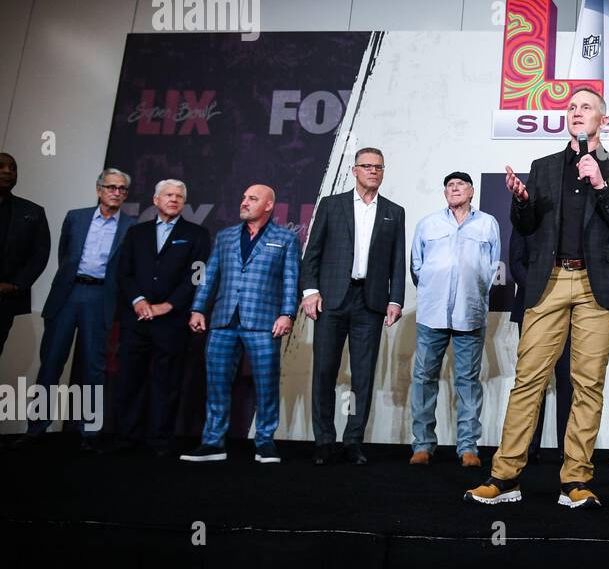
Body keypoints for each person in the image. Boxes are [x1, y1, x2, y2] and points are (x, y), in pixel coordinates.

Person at [465, 87, 609, 509]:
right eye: (572, 107)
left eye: (586, 108)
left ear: (603, 120)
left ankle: (575, 481)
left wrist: (600, 184)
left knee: (588, 383)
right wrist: (521, 202)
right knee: (528, 379)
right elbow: (527, 227)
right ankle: (505, 476)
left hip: (595, 287)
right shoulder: (543, 167)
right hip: (549, 281)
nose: (577, 113)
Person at [16, 168, 135, 451]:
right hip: (68, 294)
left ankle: (89, 433)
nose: (116, 192)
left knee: (94, 368)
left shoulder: (132, 226)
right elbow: (65, 256)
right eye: (111, 187)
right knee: (51, 363)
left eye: (121, 189)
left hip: (101, 297)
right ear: (99, 189)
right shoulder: (76, 217)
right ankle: (36, 429)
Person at [301, 147, 405, 466]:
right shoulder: (332, 206)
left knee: (362, 377)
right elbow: (312, 253)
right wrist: (309, 291)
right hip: (331, 299)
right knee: (324, 371)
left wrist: (395, 298)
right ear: (354, 170)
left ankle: (353, 440)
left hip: (369, 302)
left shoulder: (393, 211)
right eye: (367, 166)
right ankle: (324, 440)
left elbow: (397, 261)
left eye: (379, 167)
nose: (373, 171)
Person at [183, 184, 300, 464]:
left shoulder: (285, 238)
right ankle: (212, 443)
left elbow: (291, 279)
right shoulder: (225, 237)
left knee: (266, 384)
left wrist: (287, 314)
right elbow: (209, 276)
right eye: (244, 197)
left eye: (252, 198)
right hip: (223, 320)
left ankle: (265, 442)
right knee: (216, 383)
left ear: (269, 206)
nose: (244, 202)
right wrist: (198, 308)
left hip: (263, 321)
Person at [110, 179, 211, 456]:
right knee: (130, 378)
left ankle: (159, 440)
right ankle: (127, 436)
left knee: (167, 383)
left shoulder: (197, 234)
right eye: (168, 195)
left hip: (171, 322)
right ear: (155, 200)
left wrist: (170, 305)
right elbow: (124, 272)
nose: (174, 199)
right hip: (136, 319)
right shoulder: (136, 233)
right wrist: (138, 301)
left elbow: (198, 275)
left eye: (179, 196)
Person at [409, 172, 500, 468]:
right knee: (424, 379)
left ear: (471, 191)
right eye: (449, 185)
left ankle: (468, 447)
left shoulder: (487, 223)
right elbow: (416, 266)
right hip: (431, 313)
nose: (454, 189)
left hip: (469, 313)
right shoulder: (428, 224)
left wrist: (473, 294)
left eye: (460, 185)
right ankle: (422, 445)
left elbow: (492, 266)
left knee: (468, 381)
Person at [509, 228, 571, 462]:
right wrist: (542, 292)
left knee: (567, 379)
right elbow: (515, 263)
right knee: (532, 379)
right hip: (532, 306)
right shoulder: (527, 216)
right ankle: (527, 446)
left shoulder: (569, 218)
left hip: (569, 307)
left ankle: (567, 449)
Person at [0, 152, 51, 358]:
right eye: (1, 166)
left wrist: (15, 285)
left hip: (4, 299)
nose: (7, 171)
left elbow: (39, 255)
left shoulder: (32, 212)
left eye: (13, 168)